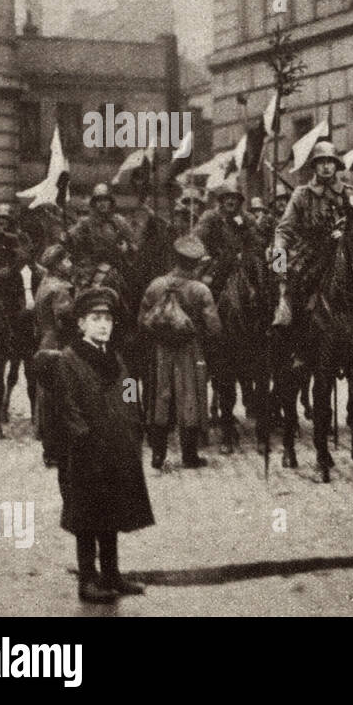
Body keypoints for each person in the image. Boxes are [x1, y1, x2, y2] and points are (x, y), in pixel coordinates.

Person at [42, 285, 154, 604]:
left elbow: (130, 389)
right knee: (87, 518)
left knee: (112, 514)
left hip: (117, 449)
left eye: (107, 318)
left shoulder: (115, 358)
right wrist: (84, 440)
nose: (103, 324)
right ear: (81, 324)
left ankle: (112, 574)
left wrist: (135, 422)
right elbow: (66, 407)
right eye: (95, 318)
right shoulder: (69, 359)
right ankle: (87, 580)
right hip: (86, 454)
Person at [139, 235, 222, 470]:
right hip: (190, 351)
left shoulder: (156, 285)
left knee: (159, 398)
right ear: (196, 263)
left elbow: (141, 320)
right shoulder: (200, 290)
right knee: (190, 399)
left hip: (160, 351)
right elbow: (214, 327)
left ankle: (158, 454)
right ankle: (189, 456)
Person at [272, 141, 353, 341]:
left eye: (330, 162)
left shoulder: (348, 192)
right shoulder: (301, 194)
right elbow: (284, 230)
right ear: (315, 166)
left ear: (336, 165)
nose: (326, 166)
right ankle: (297, 342)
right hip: (310, 253)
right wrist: (279, 261)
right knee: (297, 286)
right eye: (321, 162)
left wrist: (345, 235)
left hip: (343, 250)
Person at [33, 243, 76, 466]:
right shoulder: (60, 289)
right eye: (67, 260)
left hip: (44, 342)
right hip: (59, 344)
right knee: (61, 397)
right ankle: (60, 450)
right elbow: (66, 319)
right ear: (57, 265)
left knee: (47, 398)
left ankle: (49, 450)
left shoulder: (44, 284)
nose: (70, 264)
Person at [195, 181, 257, 290]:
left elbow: (254, 241)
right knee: (205, 284)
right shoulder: (210, 217)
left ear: (239, 201)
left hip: (240, 264)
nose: (231, 201)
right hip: (214, 263)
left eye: (234, 198)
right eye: (227, 197)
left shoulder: (245, 218)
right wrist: (205, 256)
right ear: (221, 200)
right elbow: (197, 239)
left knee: (256, 286)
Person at [67, 182, 136, 275]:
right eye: (99, 200)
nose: (102, 203)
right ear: (94, 203)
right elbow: (70, 241)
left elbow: (134, 243)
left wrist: (127, 247)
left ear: (110, 202)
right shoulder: (85, 223)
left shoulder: (119, 221)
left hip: (116, 267)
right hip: (92, 268)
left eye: (105, 200)